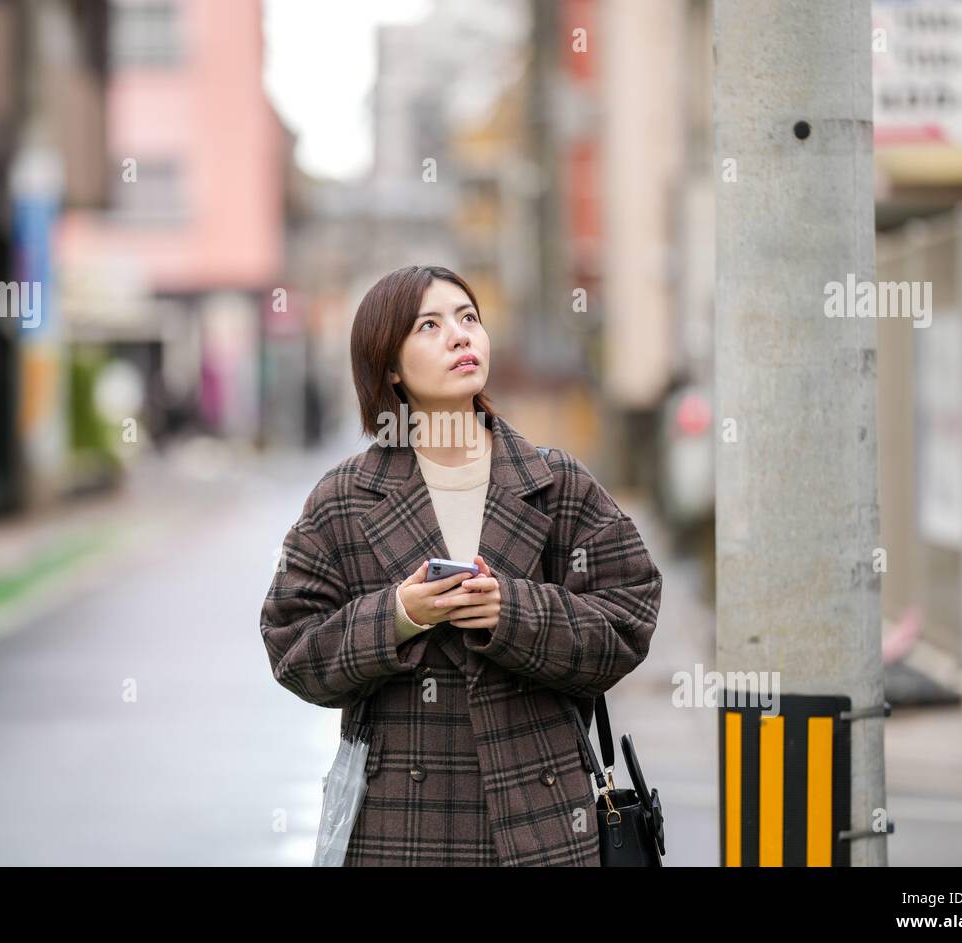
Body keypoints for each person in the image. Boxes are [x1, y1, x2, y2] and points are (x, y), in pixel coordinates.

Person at [260, 264, 663, 866]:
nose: (459, 335)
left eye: (468, 318)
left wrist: (513, 611)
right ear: (390, 366)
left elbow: (629, 617)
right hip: (398, 828)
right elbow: (292, 648)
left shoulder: (557, 483)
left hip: (544, 825)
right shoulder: (344, 496)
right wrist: (398, 616)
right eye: (429, 325)